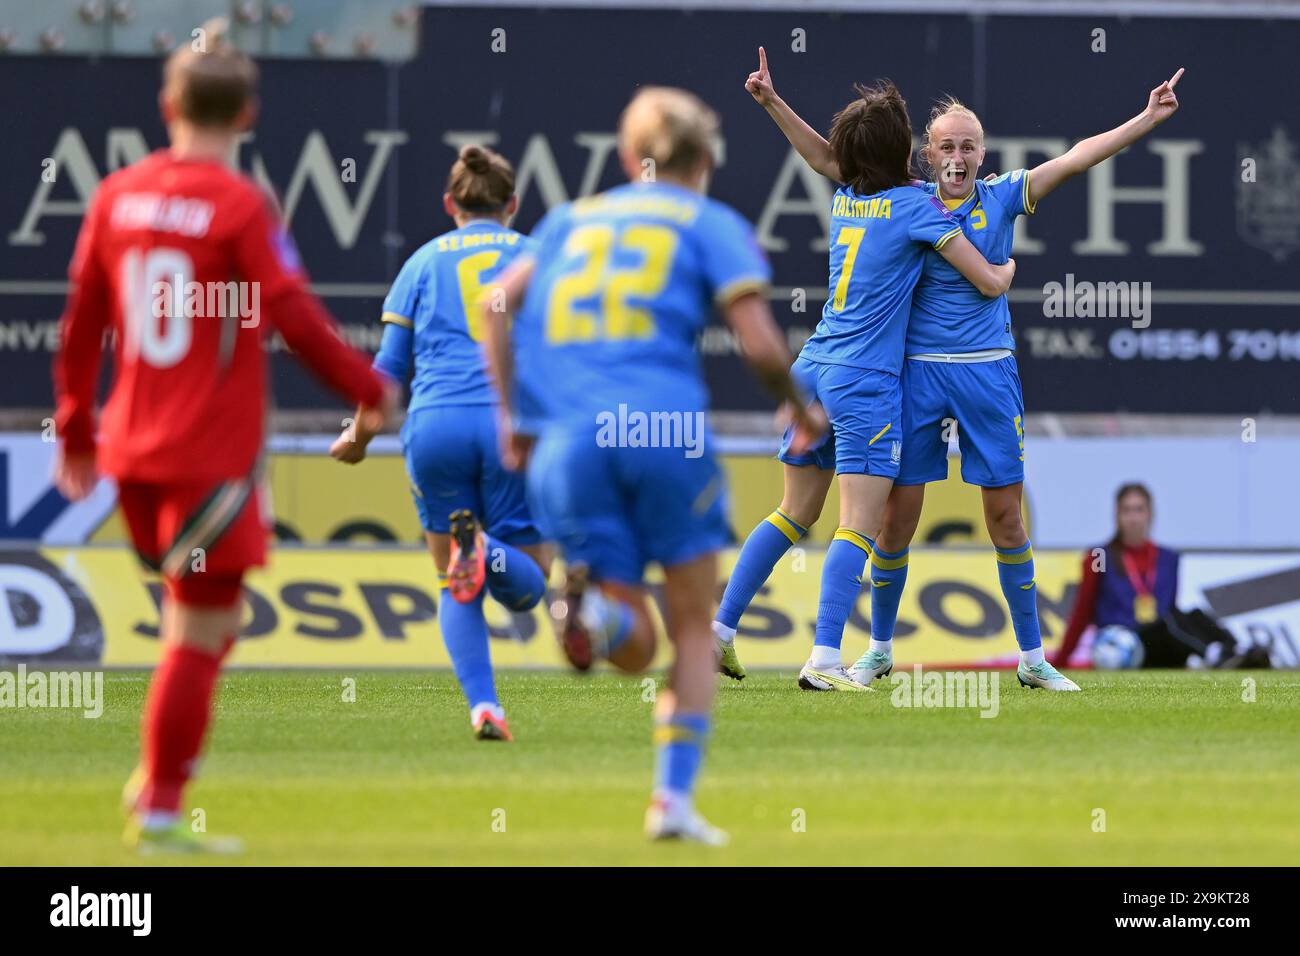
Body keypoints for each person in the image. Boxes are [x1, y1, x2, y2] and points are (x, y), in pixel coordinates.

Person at [717, 46, 1184, 692]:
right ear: (926, 156)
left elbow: (1077, 157)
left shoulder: (997, 196)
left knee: (1004, 519)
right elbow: (837, 163)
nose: (959, 158)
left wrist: (1144, 120)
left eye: (969, 146)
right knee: (890, 521)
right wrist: (1007, 274)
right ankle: (874, 650)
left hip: (982, 376)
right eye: (946, 147)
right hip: (909, 378)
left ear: (982, 154)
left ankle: (1030, 657)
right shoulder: (913, 203)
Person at [52, 30, 395, 854]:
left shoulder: (116, 198)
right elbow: (295, 318)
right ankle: (164, 808)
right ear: (247, 113)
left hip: (132, 455)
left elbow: (80, 322)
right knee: (202, 629)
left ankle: (155, 778)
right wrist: (373, 388)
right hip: (209, 456)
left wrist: (74, 425)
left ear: (167, 106)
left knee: (207, 618)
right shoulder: (240, 206)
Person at [481, 87, 824, 845]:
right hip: (664, 433)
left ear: (627, 156)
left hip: (568, 441)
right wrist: (801, 410)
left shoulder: (569, 221)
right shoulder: (711, 222)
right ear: (705, 159)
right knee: (694, 628)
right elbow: (763, 346)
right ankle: (671, 802)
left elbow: (495, 305)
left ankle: (595, 616)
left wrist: (512, 417)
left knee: (632, 646)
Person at [716, 62, 1016, 692]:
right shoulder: (917, 208)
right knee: (857, 523)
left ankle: (719, 631)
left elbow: (826, 158)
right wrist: (1007, 268)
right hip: (864, 381)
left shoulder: (847, 195)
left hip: (813, 368)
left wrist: (771, 102)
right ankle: (825, 658)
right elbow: (986, 280)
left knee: (792, 514)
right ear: (905, 150)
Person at [331, 144, 552, 743]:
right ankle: (485, 549)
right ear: (513, 203)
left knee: (455, 579)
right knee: (531, 582)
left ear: (450, 203)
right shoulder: (538, 255)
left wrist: (359, 434)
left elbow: (387, 367)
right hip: (511, 423)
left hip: (435, 426)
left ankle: (485, 707)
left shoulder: (421, 263)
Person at [1054, 483, 1181, 666]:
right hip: (1116, 642)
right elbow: (1082, 612)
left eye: (1139, 510)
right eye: (1127, 510)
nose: (1133, 518)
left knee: (1190, 618)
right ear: (1117, 515)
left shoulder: (1169, 558)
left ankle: (1222, 651)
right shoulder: (1099, 557)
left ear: (1150, 514)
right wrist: (1059, 662)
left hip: (1157, 640)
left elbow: (1172, 611)